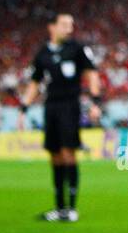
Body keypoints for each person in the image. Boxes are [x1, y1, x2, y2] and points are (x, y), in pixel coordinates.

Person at [19, 13, 101, 221]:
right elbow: (35, 83)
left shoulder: (77, 49)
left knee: (68, 153)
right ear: (52, 27)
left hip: (70, 106)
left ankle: (71, 209)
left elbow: (91, 74)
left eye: (71, 25)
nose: (69, 29)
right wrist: (23, 108)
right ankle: (59, 207)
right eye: (65, 24)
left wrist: (95, 102)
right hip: (50, 107)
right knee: (54, 155)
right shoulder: (43, 53)